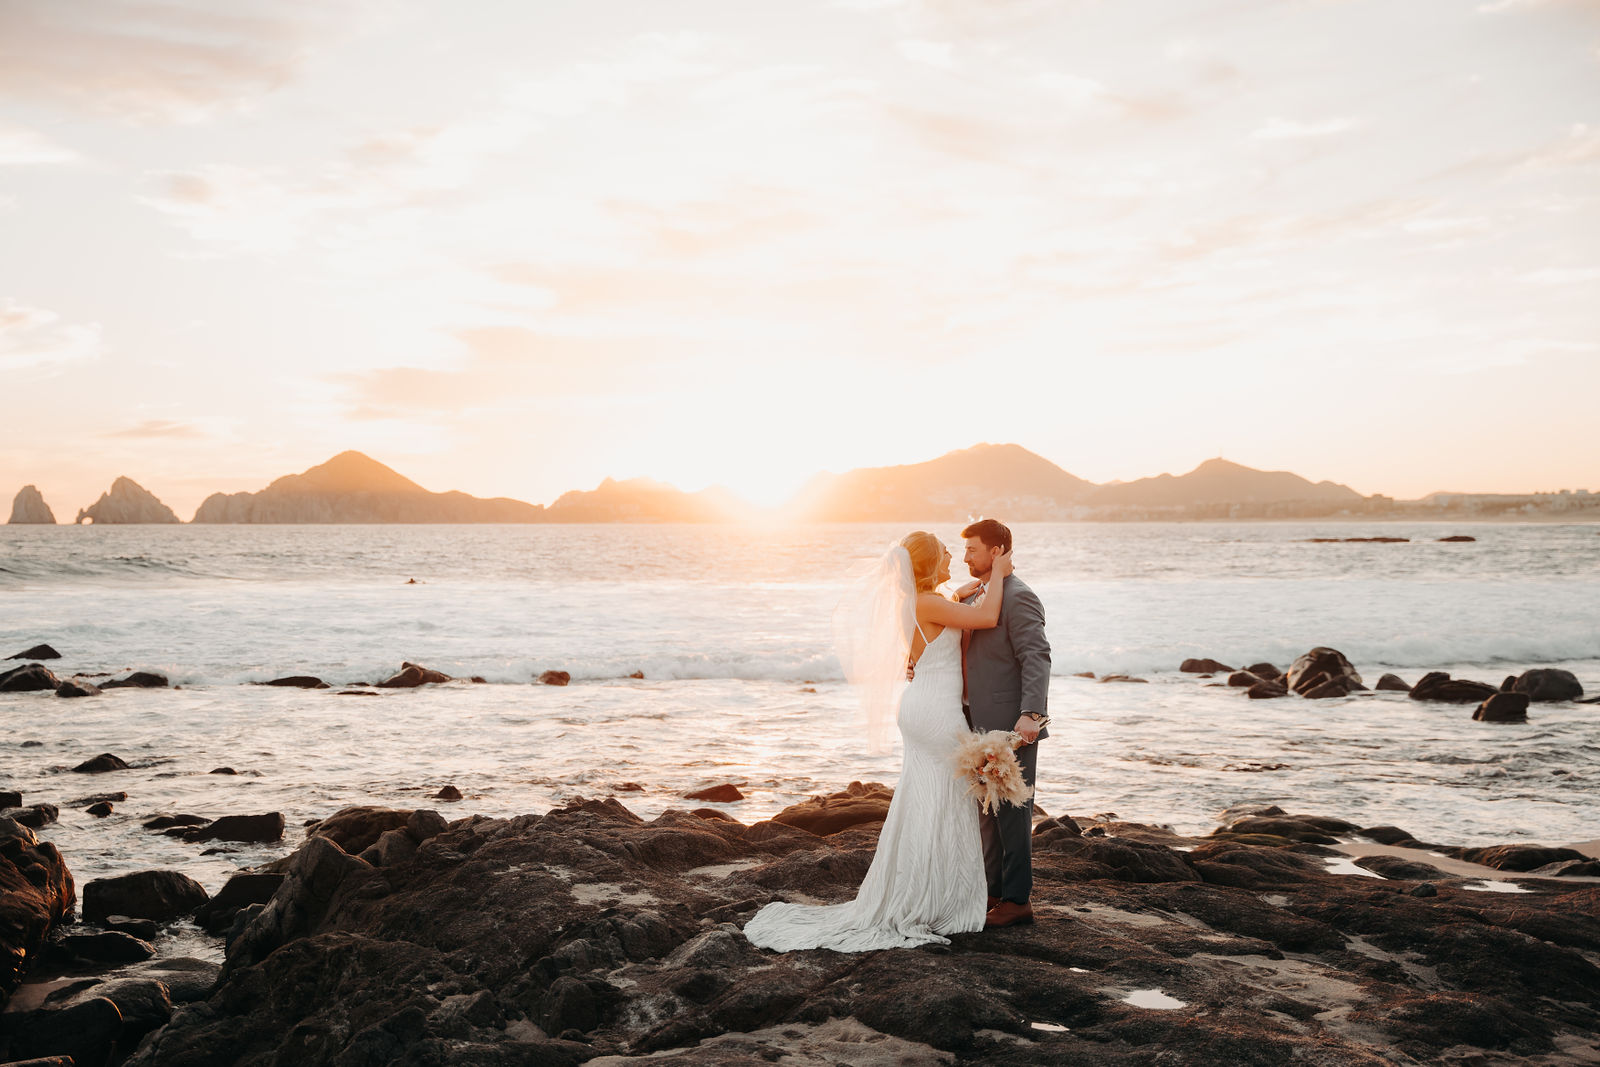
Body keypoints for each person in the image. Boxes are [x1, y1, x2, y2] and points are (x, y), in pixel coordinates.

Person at [742, 531, 1012, 951]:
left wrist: (971, 586)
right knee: (944, 801)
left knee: (923, 800)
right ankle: (933, 897)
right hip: (937, 713)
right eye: (943, 553)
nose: (950, 558)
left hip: (920, 706)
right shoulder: (929, 603)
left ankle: (922, 889)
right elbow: (988, 617)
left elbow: (952, 604)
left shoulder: (916, 602)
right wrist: (998, 573)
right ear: (927, 564)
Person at [958, 519, 1051, 928]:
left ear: (996, 552)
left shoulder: (1019, 596)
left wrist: (1031, 715)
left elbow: (1036, 656)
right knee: (986, 813)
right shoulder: (979, 592)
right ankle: (992, 892)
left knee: (1013, 813)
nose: (965, 558)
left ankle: (1017, 901)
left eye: (973, 550)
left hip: (1013, 726)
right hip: (975, 723)